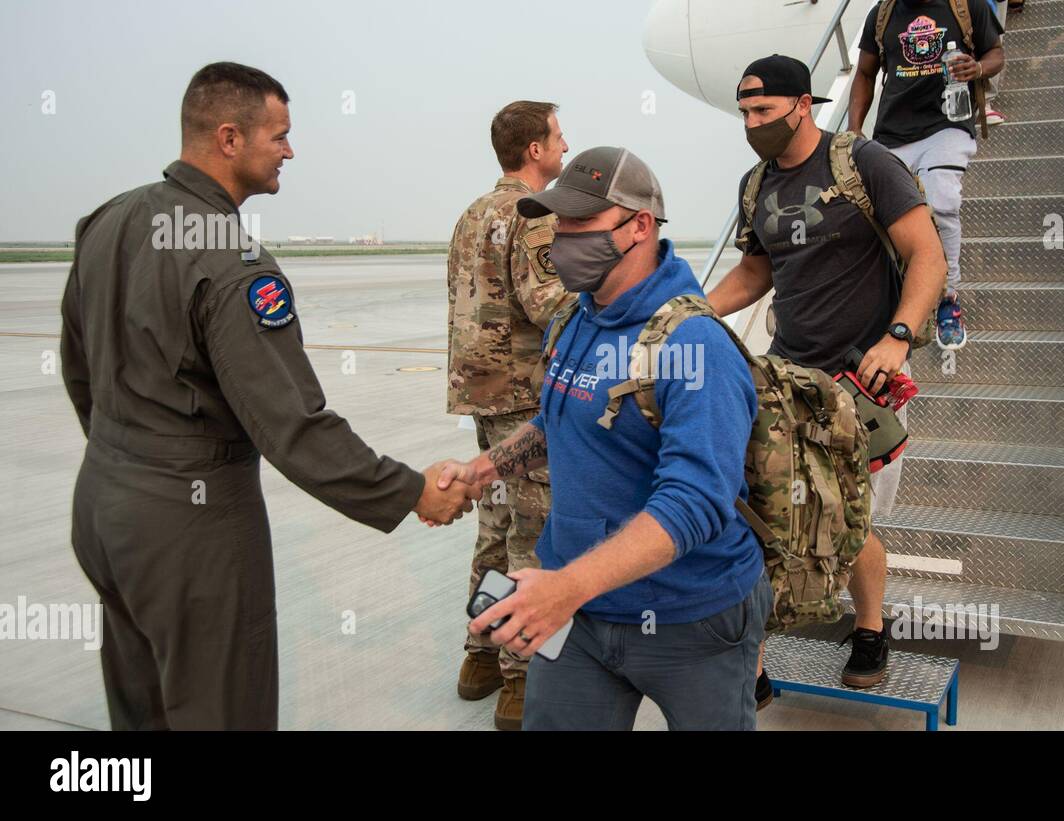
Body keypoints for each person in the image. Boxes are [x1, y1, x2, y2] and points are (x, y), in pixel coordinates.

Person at [59, 61, 476, 730]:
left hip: (105, 505)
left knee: (139, 716)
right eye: (278, 135)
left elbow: (80, 374)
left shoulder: (107, 222)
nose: (290, 150)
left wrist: (131, 463)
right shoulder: (232, 261)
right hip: (191, 528)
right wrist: (411, 491)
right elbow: (293, 427)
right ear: (229, 138)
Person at [439, 146, 770, 730]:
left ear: (638, 225)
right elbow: (560, 419)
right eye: (558, 223)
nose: (561, 239)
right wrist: (483, 469)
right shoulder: (575, 318)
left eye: (579, 225)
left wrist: (565, 587)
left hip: (689, 616)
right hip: (579, 617)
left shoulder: (695, 344)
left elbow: (695, 503)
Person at [706, 55, 947, 698]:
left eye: (764, 112)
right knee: (763, 513)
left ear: (802, 105)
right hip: (788, 375)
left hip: (863, 380)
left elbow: (927, 252)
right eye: (746, 114)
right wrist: (699, 309)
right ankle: (752, 662)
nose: (753, 124)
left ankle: (869, 630)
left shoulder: (864, 164)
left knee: (851, 519)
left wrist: (898, 337)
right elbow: (759, 270)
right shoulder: (754, 186)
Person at [446, 100, 575, 730]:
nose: (566, 145)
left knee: (494, 528)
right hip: (524, 396)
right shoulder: (535, 215)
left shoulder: (473, 213)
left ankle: (479, 657)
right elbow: (547, 301)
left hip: (481, 391)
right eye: (558, 136)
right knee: (533, 534)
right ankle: (520, 685)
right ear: (534, 150)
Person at [847, 0, 1006, 349]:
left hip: (947, 123)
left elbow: (996, 53)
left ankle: (947, 298)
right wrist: (854, 130)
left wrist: (977, 68)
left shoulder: (966, 5)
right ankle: (893, 301)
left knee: (940, 201)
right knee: (877, 220)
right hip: (892, 132)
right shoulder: (883, 12)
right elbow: (864, 73)